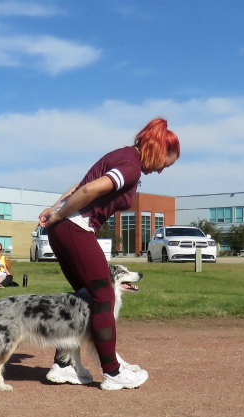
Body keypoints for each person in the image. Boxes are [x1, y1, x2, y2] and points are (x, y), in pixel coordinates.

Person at [38, 117, 179, 390]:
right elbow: (89, 190)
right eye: (166, 163)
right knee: (104, 296)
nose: (162, 170)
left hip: (63, 229)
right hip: (75, 227)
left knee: (85, 297)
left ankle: (64, 364)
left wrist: (54, 209)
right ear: (159, 151)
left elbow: (77, 187)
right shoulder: (132, 167)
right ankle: (112, 373)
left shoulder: (123, 155)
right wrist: (59, 213)